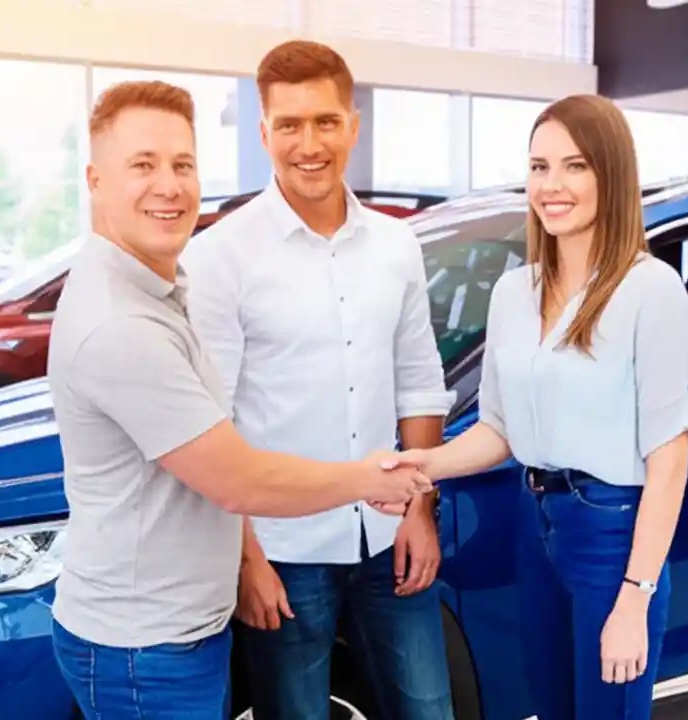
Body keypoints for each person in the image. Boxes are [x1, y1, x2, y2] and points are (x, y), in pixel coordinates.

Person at [46, 79, 433, 720]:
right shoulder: (123, 324)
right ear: (95, 180)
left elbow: (416, 372)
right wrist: (373, 476)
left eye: (182, 164)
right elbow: (236, 478)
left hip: (174, 634)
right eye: (142, 165)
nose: (168, 185)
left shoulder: (158, 290)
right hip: (147, 650)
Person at [394, 94, 688, 720]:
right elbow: (500, 431)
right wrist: (422, 464)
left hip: (612, 533)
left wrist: (634, 601)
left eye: (574, 166)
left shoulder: (651, 291)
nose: (551, 185)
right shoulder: (514, 292)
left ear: (610, 175)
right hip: (535, 523)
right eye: (539, 167)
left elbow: (670, 463)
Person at [184, 40, 457, 720]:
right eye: (290, 125)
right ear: (264, 133)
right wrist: (244, 558)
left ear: (353, 125)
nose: (310, 143)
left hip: (390, 536)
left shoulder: (397, 246)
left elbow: (420, 382)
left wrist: (421, 512)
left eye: (325, 122)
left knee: (429, 711)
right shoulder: (220, 254)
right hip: (281, 550)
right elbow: (210, 423)